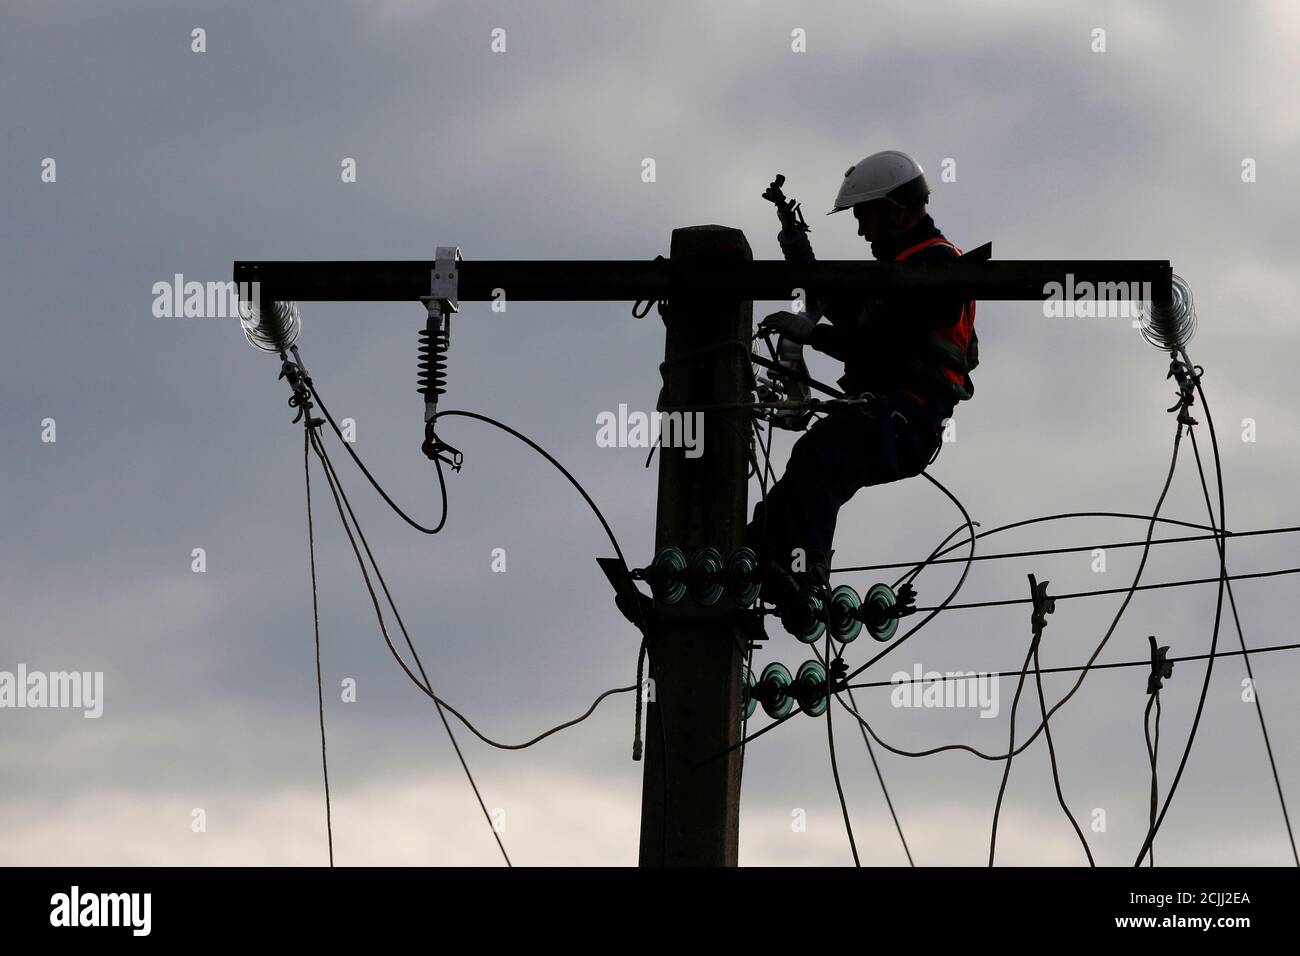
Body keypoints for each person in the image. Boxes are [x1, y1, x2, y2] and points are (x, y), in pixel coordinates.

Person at [747, 150, 979, 614]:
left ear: (894, 210)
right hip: (882, 412)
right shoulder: (900, 269)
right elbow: (846, 309)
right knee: (793, 489)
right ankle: (746, 566)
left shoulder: (937, 267)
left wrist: (813, 335)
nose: (859, 229)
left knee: (821, 458)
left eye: (863, 217)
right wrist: (797, 246)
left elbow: (879, 344)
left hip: (906, 415)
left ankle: (806, 579)